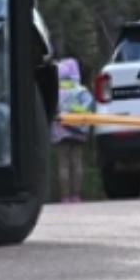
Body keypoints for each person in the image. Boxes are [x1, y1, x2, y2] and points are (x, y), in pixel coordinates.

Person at [52, 57, 94, 202]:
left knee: (63, 164)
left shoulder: (55, 92)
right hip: (79, 131)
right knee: (77, 163)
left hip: (60, 132)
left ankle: (65, 197)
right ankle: (76, 195)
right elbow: (88, 109)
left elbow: (52, 111)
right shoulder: (81, 91)